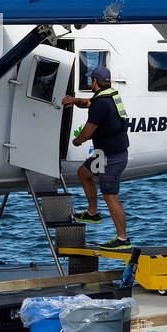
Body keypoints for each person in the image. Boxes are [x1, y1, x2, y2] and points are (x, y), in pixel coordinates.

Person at [61, 66, 130, 250]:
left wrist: (76, 141)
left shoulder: (101, 104)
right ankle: (93, 213)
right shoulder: (109, 96)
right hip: (106, 153)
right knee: (84, 173)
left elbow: (88, 131)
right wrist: (75, 100)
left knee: (111, 196)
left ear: (94, 82)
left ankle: (122, 239)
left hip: (112, 158)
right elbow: (89, 103)